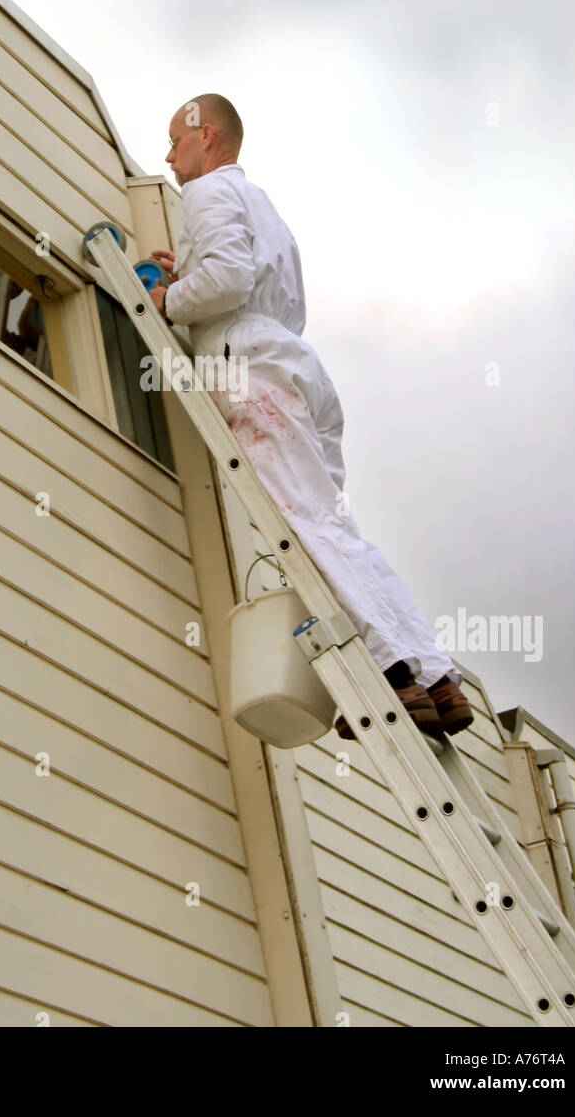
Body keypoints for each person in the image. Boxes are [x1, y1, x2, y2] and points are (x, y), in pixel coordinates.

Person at [148, 93, 473, 738]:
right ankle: (436, 677)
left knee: (302, 523)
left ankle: (389, 669)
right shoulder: (264, 209)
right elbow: (248, 277)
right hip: (293, 367)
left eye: (175, 141)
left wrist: (170, 297)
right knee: (332, 525)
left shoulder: (206, 194)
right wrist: (188, 269)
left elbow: (230, 282)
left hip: (249, 367)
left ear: (206, 135)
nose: (168, 154)